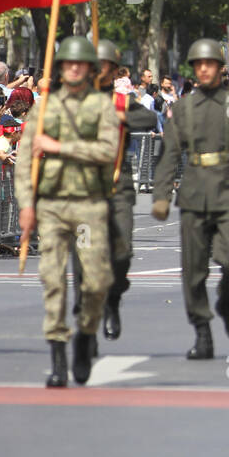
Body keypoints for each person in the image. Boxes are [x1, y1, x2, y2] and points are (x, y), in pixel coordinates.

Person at [14, 37, 120, 387]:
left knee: (96, 282)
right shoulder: (43, 109)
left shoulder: (102, 106)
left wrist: (60, 147)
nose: (74, 69)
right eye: (68, 64)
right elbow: (25, 159)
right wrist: (27, 204)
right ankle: (58, 353)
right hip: (53, 205)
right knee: (53, 280)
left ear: (90, 68)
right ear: (60, 68)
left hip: (89, 204)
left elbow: (107, 150)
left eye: (81, 64)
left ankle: (86, 334)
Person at [151, 39, 229, 358]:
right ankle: (202, 330)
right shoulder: (183, 109)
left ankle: (226, 303)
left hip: (228, 188)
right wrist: (161, 196)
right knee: (193, 269)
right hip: (195, 191)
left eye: (209, 64)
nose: (204, 69)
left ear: (220, 69)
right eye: (198, 65)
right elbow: (169, 154)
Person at [70, 39, 159, 347]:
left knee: (121, 253)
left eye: (108, 67)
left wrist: (119, 117)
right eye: (99, 66)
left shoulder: (121, 100)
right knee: (83, 256)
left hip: (117, 186)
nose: (103, 71)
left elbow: (148, 119)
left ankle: (113, 301)